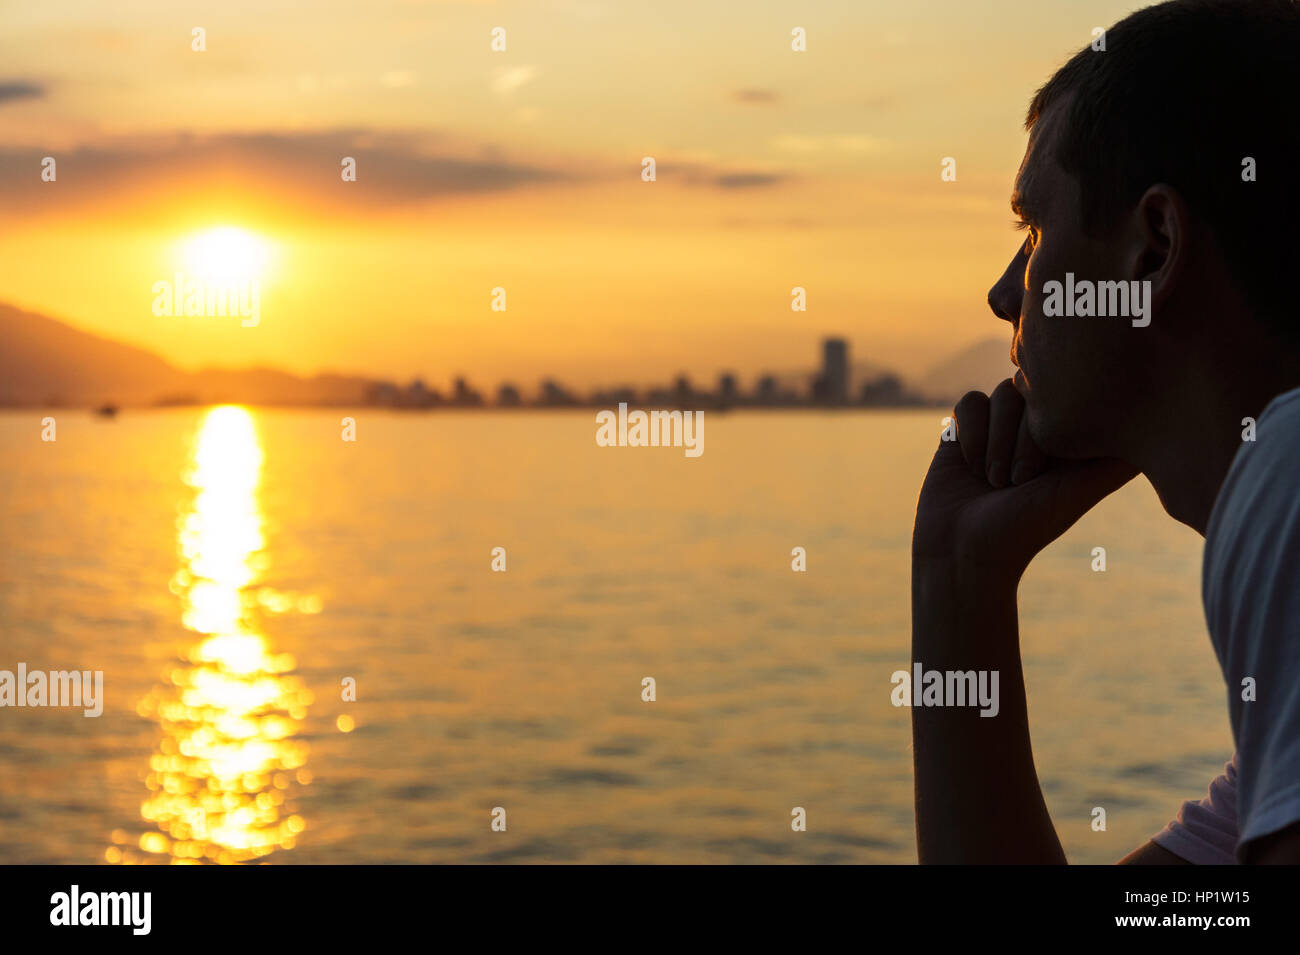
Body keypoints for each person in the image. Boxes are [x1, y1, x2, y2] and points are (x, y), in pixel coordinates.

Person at [911, 0, 1300, 864]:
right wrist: (958, 579)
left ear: (1153, 248)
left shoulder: (1290, 474)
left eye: (1034, 230)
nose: (1005, 293)